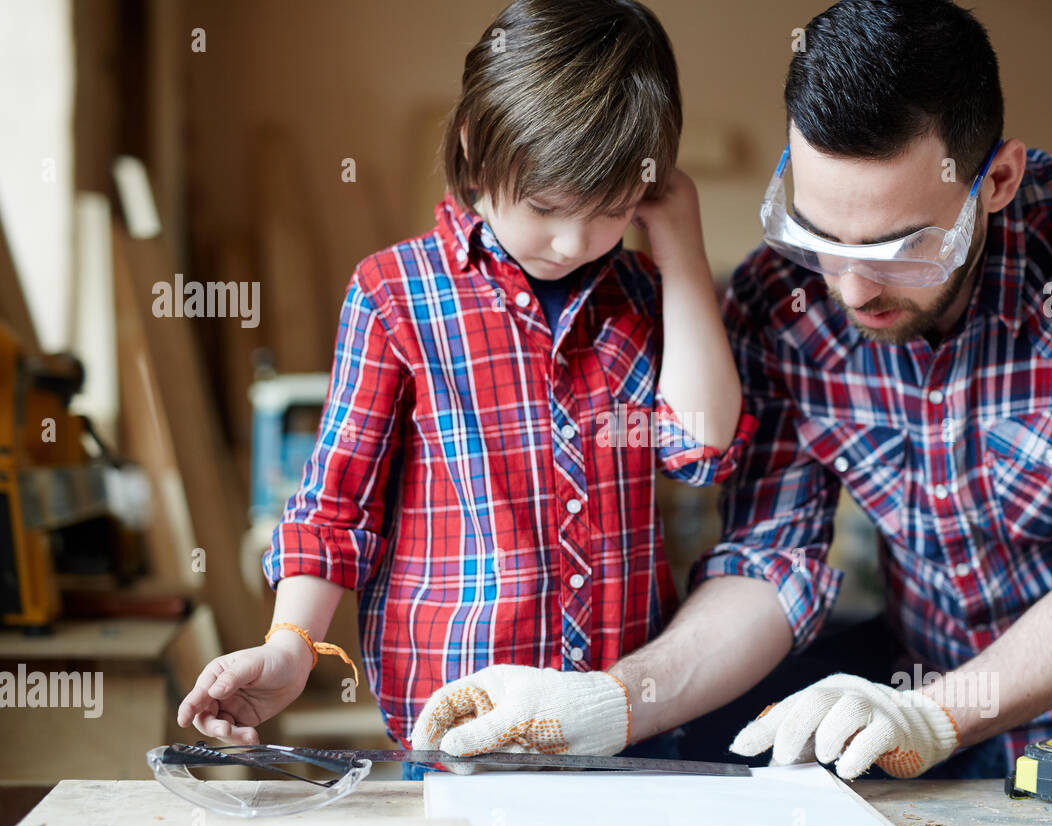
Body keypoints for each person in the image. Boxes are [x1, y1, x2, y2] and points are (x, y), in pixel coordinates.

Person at [429, 0, 1052, 782]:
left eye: (897, 247)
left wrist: (937, 715)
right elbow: (768, 563)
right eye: (818, 235)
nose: (849, 290)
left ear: (995, 180)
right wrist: (609, 703)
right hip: (918, 727)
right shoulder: (776, 303)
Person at [176, 0, 756, 780]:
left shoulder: (644, 293)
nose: (573, 241)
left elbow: (700, 444)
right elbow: (335, 507)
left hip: (617, 724)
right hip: (454, 734)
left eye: (611, 211)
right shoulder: (395, 296)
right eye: (546, 207)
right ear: (477, 154)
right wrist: (290, 647)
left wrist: (680, 242)